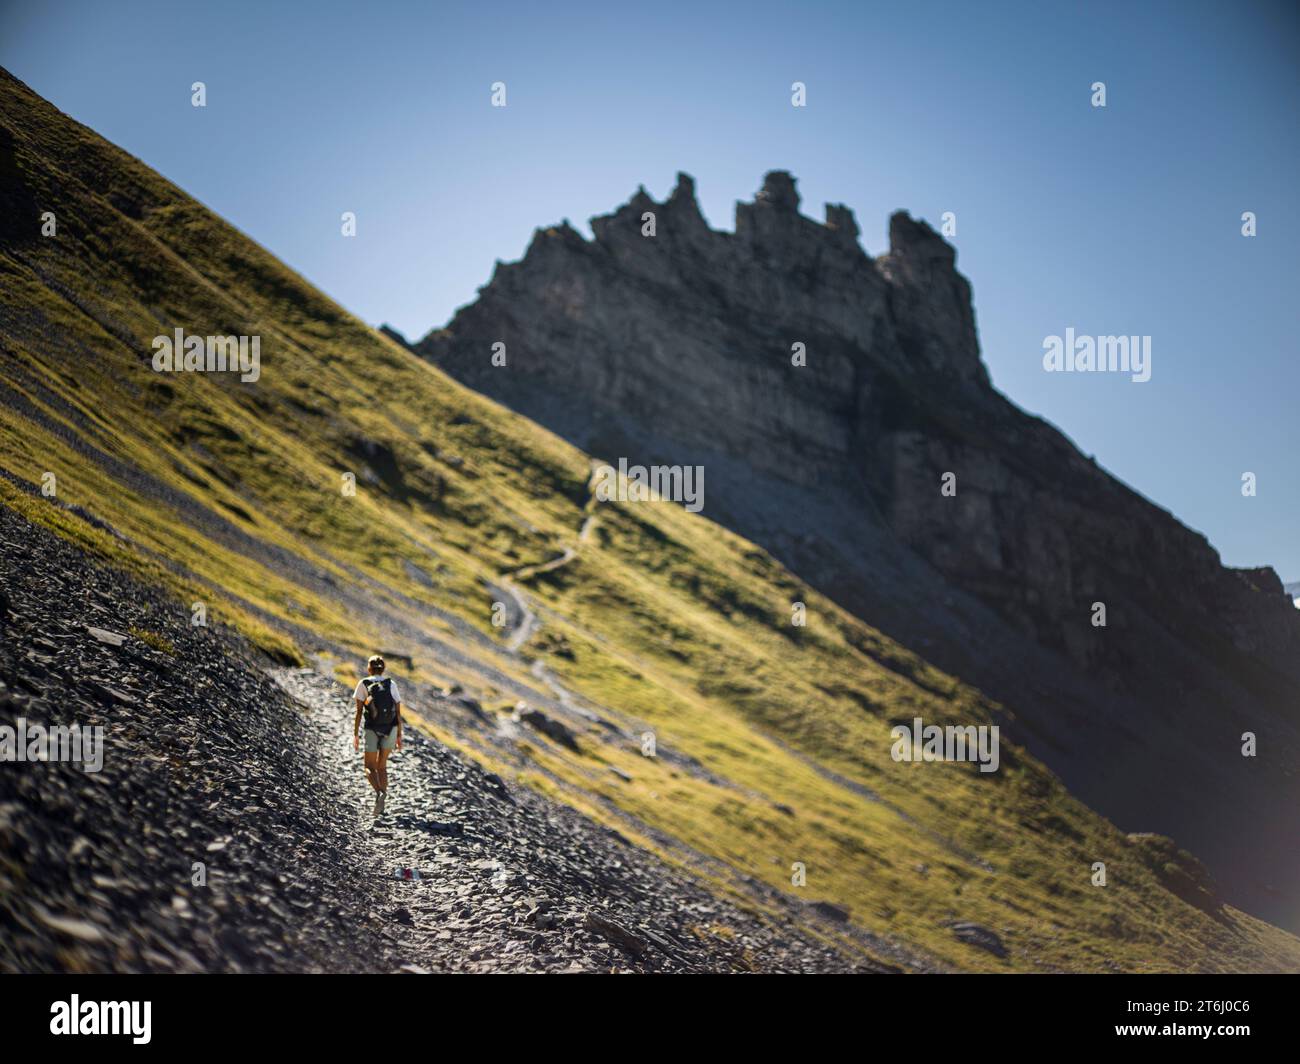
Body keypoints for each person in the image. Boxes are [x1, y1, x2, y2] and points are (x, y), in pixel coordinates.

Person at [353, 655, 403, 816]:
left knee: (369, 766)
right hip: (390, 729)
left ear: (369, 668)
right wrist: (399, 735)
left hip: (372, 729)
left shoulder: (364, 683)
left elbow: (359, 711)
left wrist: (356, 735)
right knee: (382, 766)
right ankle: (382, 804)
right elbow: (398, 712)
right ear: (383, 668)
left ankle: (379, 793)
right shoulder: (391, 684)